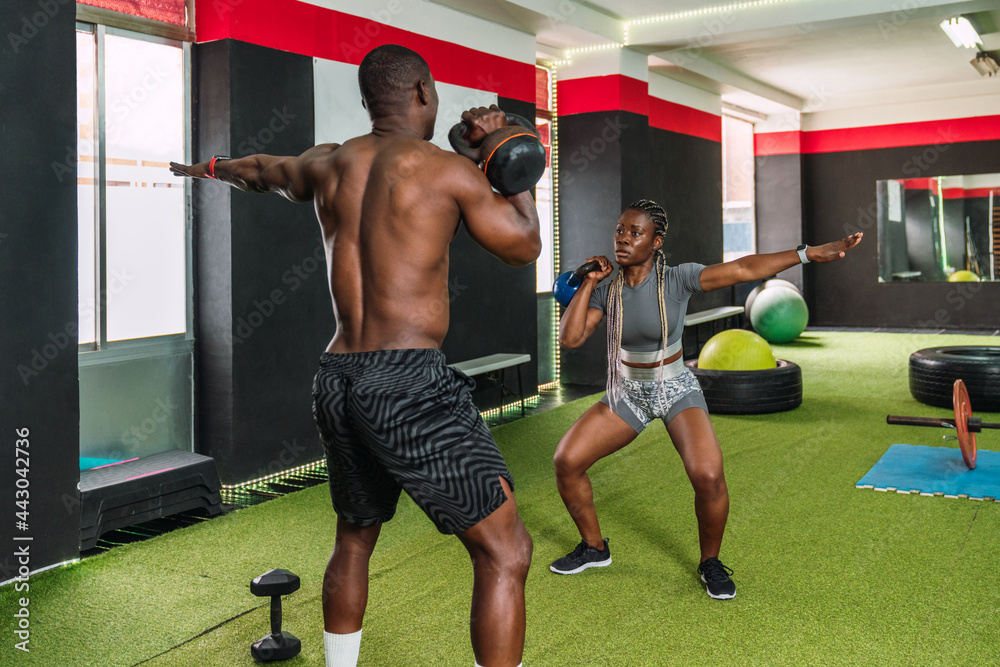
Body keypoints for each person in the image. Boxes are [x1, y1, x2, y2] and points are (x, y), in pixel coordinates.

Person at [170, 45, 539, 667]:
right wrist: (509, 149)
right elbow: (524, 245)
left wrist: (208, 167)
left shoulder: (326, 163)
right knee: (507, 552)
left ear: (369, 100)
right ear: (423, 93)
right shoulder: (448, 171)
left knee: (355, 535)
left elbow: (260, 169)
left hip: (337, 377)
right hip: (407, 381)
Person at [549, 199, 862, 600]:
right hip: (629, 390)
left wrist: (808, 253)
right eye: (619, 231)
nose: (623, 239)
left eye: (635, 233)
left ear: (656, 242)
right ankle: (594, 547)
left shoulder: (678, 279)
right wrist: (590, 281)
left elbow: (744, 269)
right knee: (566, 461)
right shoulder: (606, 289)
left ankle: (709, 561)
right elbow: (570, 338)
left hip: (675, 385)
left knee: (709, 477)